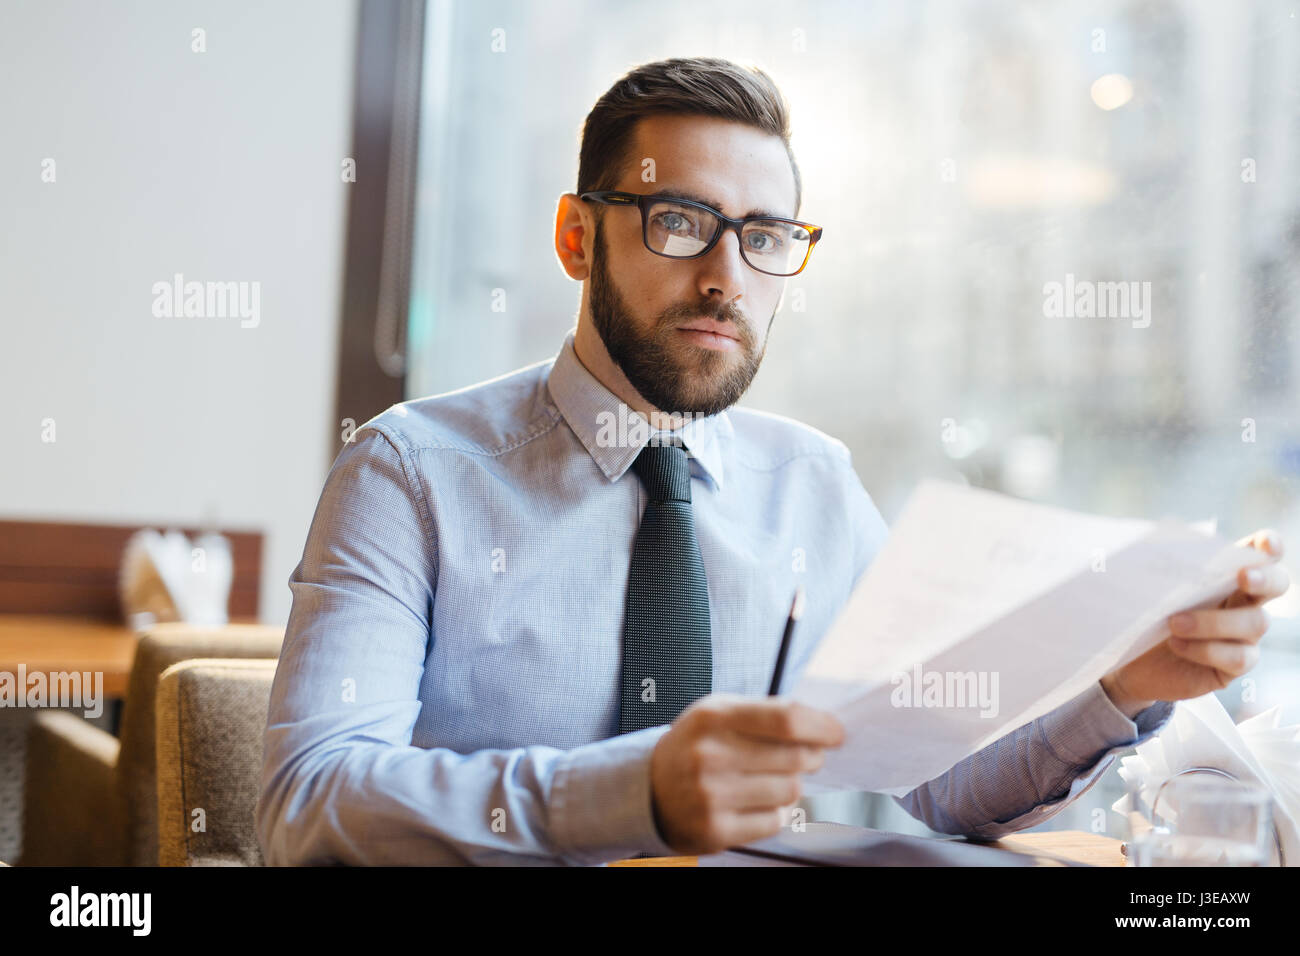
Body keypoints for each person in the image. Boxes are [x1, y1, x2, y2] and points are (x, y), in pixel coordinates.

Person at [255, 56, 1289, 865]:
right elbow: (306, 802)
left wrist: (1124, 681)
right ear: (576, 238)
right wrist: (631, 793)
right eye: (680, 222)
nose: (725, 276)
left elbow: (944, 781)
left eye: (764, 236)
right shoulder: (409, 471)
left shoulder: (813, 484)